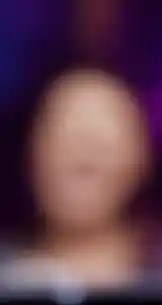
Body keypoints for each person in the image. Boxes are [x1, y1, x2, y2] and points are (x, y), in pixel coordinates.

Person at [4, 70, 151, 289]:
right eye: (62, 131)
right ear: (32, 156)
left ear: (140, 159)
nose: (82, 147)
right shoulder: (8, 275)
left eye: (102, 138)